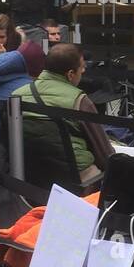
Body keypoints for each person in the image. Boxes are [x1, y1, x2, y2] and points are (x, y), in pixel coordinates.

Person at [12, 42, 114, 184]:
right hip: (79, 181)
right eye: (82, 67)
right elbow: (105, 156)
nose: (83, 71)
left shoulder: (16, 96)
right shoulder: (79, 100)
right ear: (71, 74)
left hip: (29, 178)